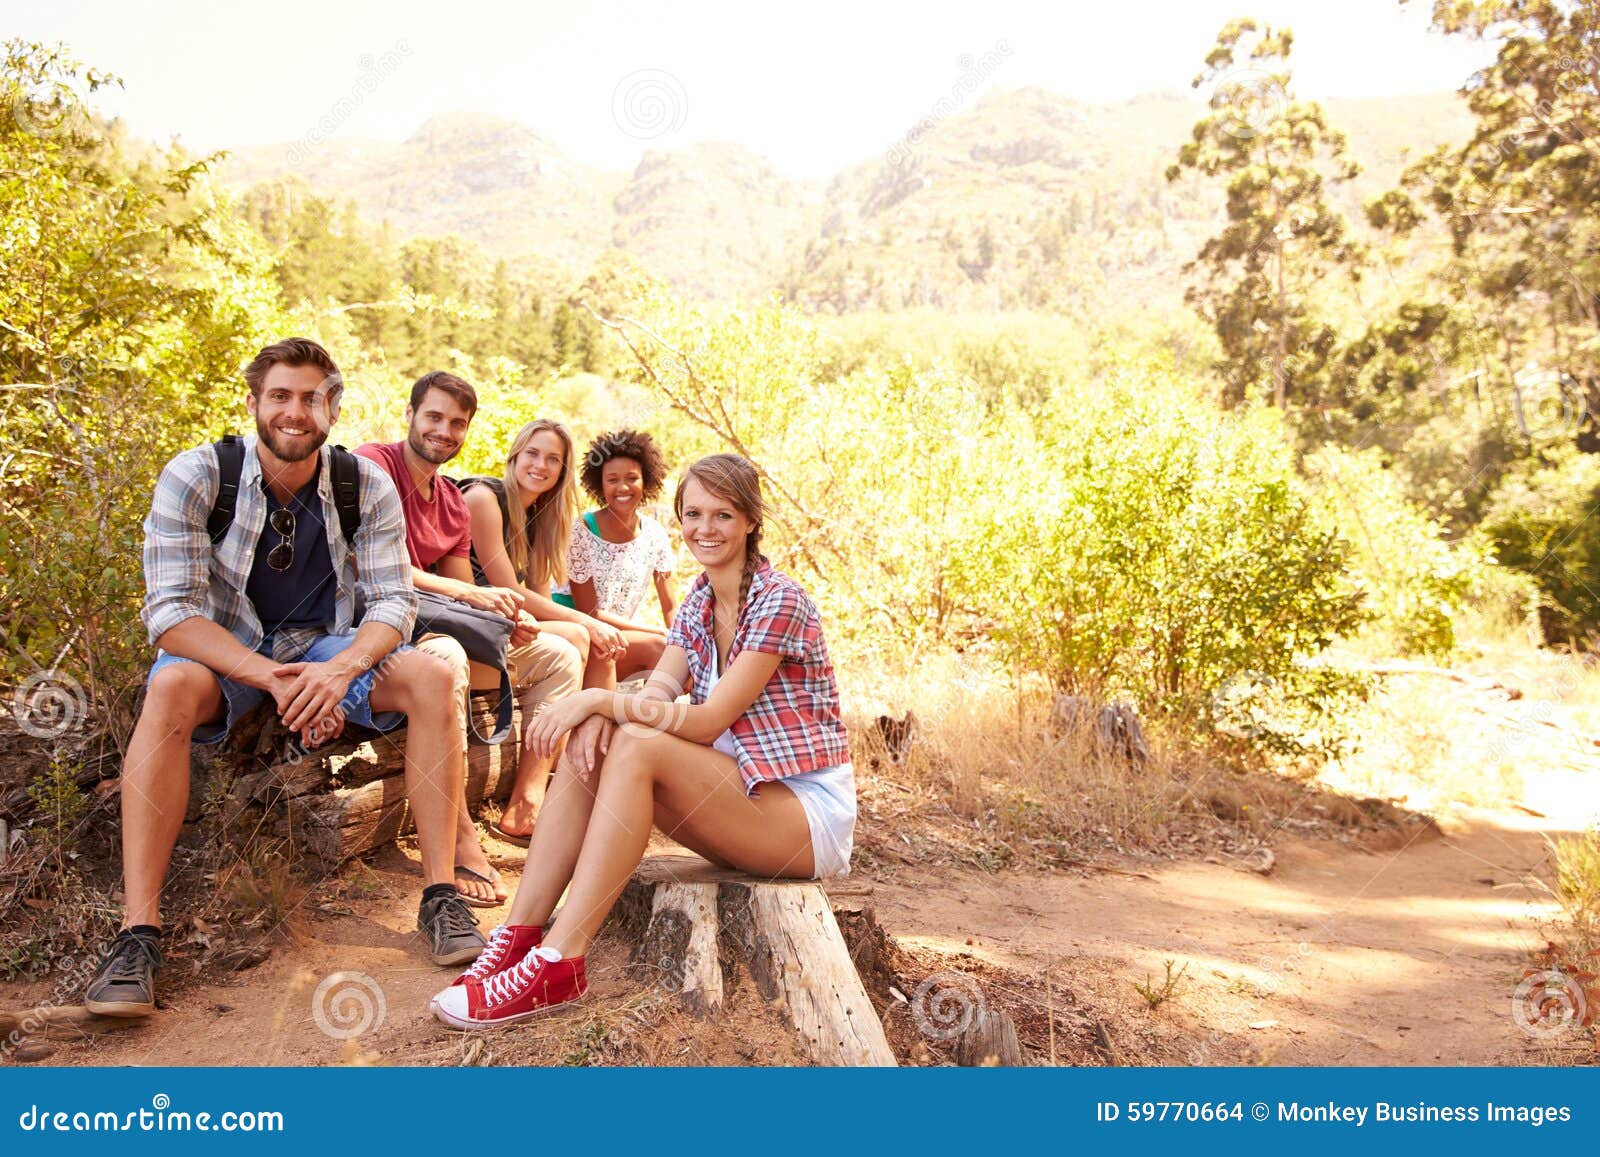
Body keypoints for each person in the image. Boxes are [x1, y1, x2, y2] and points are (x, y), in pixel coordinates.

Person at [86, 338, 486, 1019]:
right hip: (229, 649)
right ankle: (138, 933)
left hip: (328, 645)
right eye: (281, 396)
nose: (295, 412)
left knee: (432, 673)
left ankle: (441, 895)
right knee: (170, 686)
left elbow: (394, 602)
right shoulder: (197, 475)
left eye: (312, 398)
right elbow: (171, 615)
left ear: (332, 409)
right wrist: (280, 680)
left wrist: (339, 671)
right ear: (253, 403)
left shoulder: (366, 484)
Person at [431, 454, 855, 1029]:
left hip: (803, 816)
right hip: (738, 795)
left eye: (723, 515)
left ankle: (562, 958)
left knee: (633, 739)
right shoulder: (701, 602)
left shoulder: (779, 601)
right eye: (693, 514)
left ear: (751, 520)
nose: (705, 529)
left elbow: (706, 722)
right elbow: (657, 692)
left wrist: (599, 700)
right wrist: (602, 716)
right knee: (609, 737)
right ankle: (519, 936)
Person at [354, 371, 582, 903]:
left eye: (458, 423)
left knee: (558, 655)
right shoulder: (372, 466)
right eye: (433, 417)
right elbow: (374, 567)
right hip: (372, 629)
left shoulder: (451, 502)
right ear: (409, 416)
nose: (444, 430)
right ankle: (459, 836)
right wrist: (474, 599)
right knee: (449, 657)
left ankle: (528, 803)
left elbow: (461, 591)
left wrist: (504, 618)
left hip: (428, 623)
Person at [458, 419, 626, 843]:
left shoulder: (541, 517)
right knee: (580, 637)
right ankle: (531, 801)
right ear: (515, 454)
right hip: (466, 626)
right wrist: (588, 621)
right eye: (533, 453)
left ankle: (577, 783)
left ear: (562, 471)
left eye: (553, 459)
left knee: (596, 645)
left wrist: (589, 627)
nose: (541, 465)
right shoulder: (484, 498)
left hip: (509, 628)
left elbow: (539, 596)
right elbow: (507, 590)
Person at [551, 429, 678, 688]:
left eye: (632, 478)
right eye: (612, 480)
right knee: (658, 647)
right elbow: (591, 613)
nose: (622, 487)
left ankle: (655, 722)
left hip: (617, 637)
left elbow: (670, 607)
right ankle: (648, 723)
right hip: (579, 635)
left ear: (646, 481)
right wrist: (656, 632)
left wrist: (681, 640)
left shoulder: (655, 534)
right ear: (600, 484)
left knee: (679, 657)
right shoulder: (582, 531)